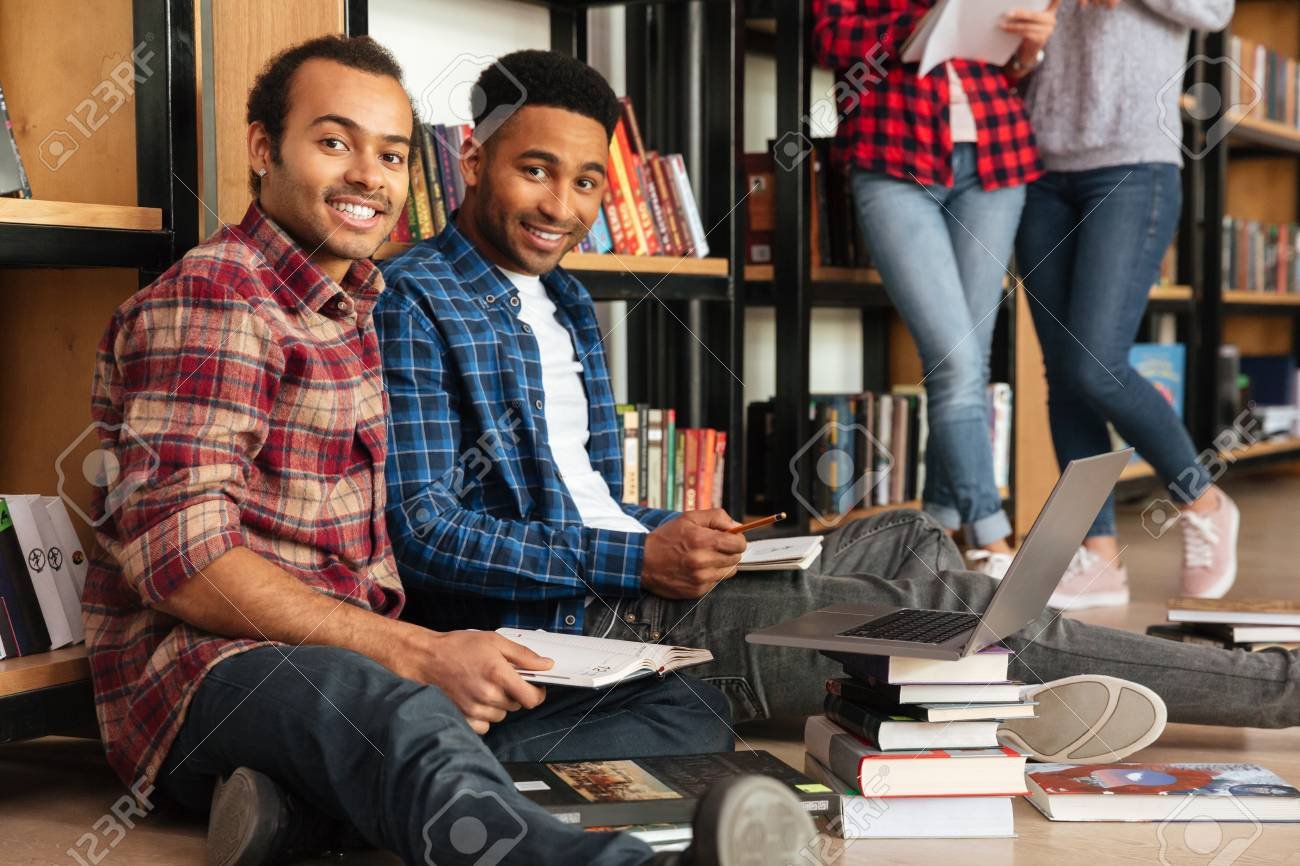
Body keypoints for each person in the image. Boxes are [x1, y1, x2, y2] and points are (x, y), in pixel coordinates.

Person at [376, 48, 1300, 774]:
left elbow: (587, 499)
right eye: (536, 171)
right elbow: (422, 531)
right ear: (472, 158)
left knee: (906, 536)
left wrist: (677, 532)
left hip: (639, 583)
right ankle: (1276, 686)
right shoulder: (414, 299)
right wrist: (638, 557)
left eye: (585, 182)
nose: (562, 206)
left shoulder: (566, 299)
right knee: (957, 612)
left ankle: (976, 702)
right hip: (594, 630)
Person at [81, 34, 813, 866]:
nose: (368, 175)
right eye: (334, 142)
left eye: (391, 154)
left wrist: (420, 653)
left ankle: (304, 814)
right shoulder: (218, 297)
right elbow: (185, 561)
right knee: (401, 711)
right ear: (262, 148)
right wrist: (416, 651)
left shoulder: (355, 304)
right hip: (212, 669)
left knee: (680, 707)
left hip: (357, 653)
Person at [810, 0, 1060, 578]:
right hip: (892, 155)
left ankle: (938, 529)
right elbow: (828, 38)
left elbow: (1008, 65)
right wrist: (920, 26)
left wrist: (1029, 48)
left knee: (968, 361)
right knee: (955, 362)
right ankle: (993, 537)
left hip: (995, 157)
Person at [1015, 0, 1238, 609]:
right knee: (1064, 376)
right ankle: (1097, 557)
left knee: (1095, 365)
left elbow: (1216, 9)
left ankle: (1203, 501)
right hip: (1039, 167)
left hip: (1134, 165)